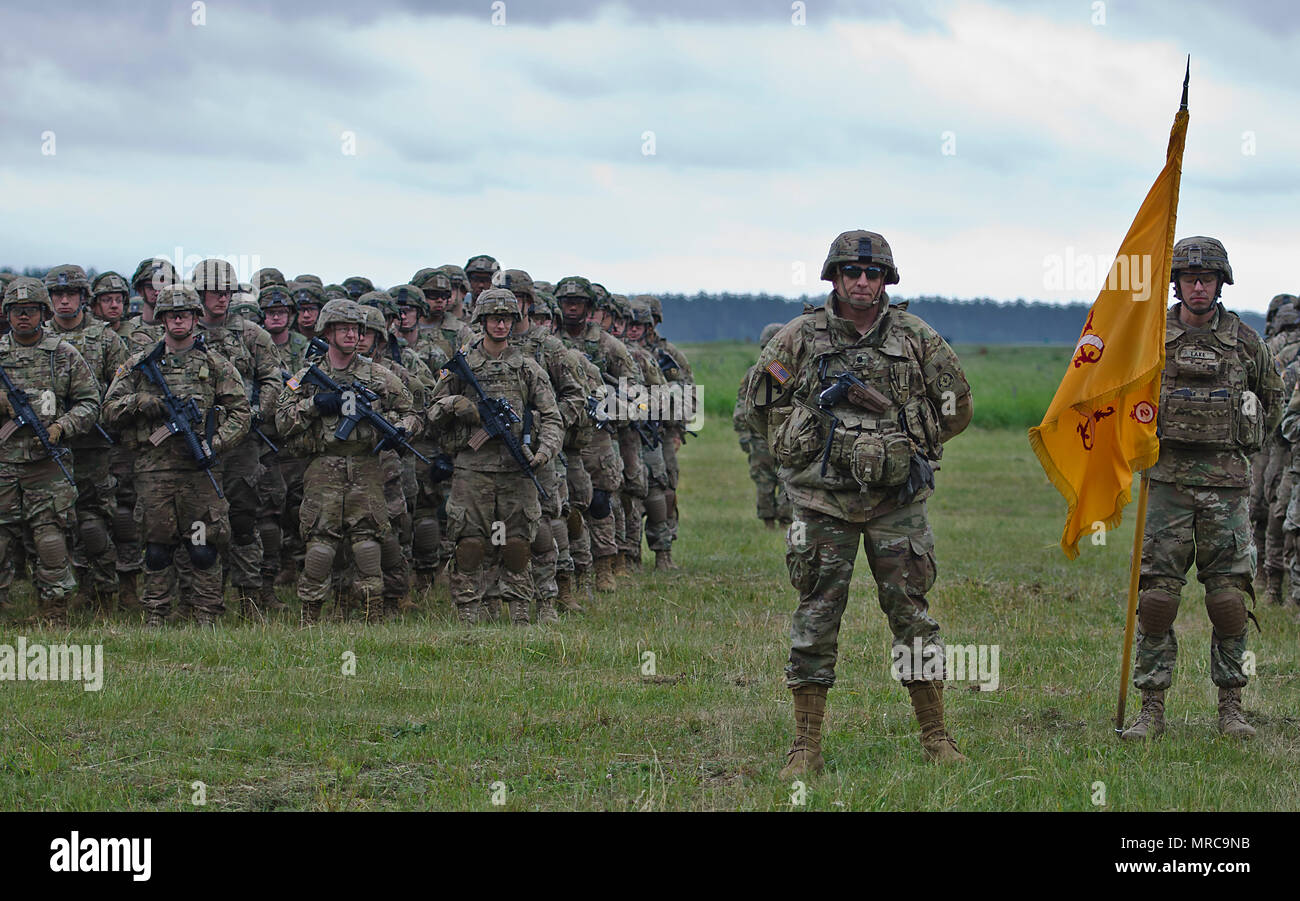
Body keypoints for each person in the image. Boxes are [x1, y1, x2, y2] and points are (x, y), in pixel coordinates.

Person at [749, 229, 974, 773]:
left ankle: (937, 738)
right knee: (816, 616)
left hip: (897, 501)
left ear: (886, 281)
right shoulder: (800, 336)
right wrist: (808, 442)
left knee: (912, 615)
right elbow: (761, 402)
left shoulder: (916, 335)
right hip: (823, 503)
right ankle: (806, 747)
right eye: (852, 272)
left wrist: (908, 442)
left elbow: (957, 403)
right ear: (834, 277)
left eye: (873, 274)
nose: (863, 282)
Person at [1120, 237, 1283, 741]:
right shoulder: (1149, 338)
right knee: (1157, 600)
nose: (1198, 287)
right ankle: (1151, 710)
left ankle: (1231, 708)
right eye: (1190, 278)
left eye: (1207, 279)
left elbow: (1273, 402)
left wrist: (1243, 432)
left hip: (1227, 490)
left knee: (1229, 600)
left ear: (1220, 284)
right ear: (1176, 284)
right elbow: (1121, 400)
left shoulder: (1245, 342)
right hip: (1165, 485)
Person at [102, 284, 250, 627]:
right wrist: (145, 403)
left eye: (185, 314)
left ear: (196, 318)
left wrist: (216, 443)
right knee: (156, 547)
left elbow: (241, 413)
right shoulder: (139, 365)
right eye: (172, 314)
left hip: (198, 473)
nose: (178, 320)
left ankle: (206, 615)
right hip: (154, 472)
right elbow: (108, 409)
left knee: (202, 546)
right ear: (163, 319)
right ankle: (156, 613)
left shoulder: (215, 365)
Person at [275, 299, 418, 624]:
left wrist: (400, 429)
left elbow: (412, 413)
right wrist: (315, 404)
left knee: (368, 544)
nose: (352, 335)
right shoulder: (308, 376)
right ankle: (309, 619)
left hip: (367, 467)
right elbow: (281, 420)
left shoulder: (377, 375)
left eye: (356, 329)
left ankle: (372, 615)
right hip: (323, 467)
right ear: (328, 332)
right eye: (344, 329)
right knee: (320, 546)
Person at [426, 289, 562, 625]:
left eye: (506, 318)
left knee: (516, 543)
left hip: (517, 469)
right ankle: (469, 610)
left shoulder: (527, 368)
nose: (500, 324)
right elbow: (431, 411)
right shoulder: (462, 366)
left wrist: (543, 452)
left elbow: (553, 416)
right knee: (470, 543)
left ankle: (518, 608)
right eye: (493, 318)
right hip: (473, 467)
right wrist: (456, 405)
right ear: (482, 321)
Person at [0, 277, 100, 624]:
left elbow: (90, 402)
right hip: (3, 464)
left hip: (47, 464)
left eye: (30, 311)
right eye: (16, 311)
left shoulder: (63, 354)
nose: (23, 317)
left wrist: (62, 427)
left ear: (43, 312)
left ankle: (53, 611)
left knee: (50, 539)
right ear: (7, 314)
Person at [44, 265, 130, 611]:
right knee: (55, 523)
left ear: (83, 299)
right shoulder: (39, 336)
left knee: (95, 520)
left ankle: (108, 589)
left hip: (95, 445)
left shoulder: (106, 338)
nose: (64, 301)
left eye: (71, 295)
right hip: (47, 448)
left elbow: (123, 389)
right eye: (57, 295)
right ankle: (66, 592)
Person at [735, 322, 793, 528]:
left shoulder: (756, 371)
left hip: (771, 433)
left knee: (770, 478)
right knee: (777, 478)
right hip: (772, 433)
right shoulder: (781, 370)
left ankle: (775, 520)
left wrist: (743, 434)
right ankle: (778, 520)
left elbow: (741, 407)